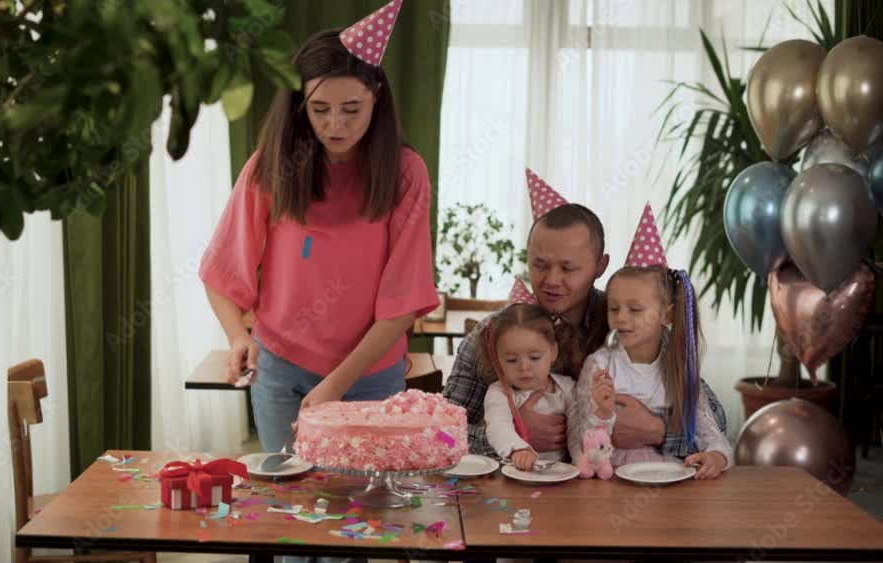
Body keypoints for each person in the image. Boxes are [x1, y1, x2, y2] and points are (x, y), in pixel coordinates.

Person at [199, 0, 438, 455]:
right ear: (299, 106)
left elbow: (403, 304)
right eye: (320, 109)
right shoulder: (270, 167)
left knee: (370, 515)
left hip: (370, 378)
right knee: (288, 508)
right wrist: (236, 337)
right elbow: (222, 273)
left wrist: (336, 385)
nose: (335, 124)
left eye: (352, 108)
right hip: (280, 373)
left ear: (377, 100)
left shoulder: (406, 173)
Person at [443, 169, 728, 459]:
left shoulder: (629, 323)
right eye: (540, 265)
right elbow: (442, 434)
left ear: (600, 266)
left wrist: (657, 430)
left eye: (568, 268)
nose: (552, 280)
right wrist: (511, 436)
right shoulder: (493, 335)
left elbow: (716, 421)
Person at [568, 204, 733, 479]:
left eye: (635, 310)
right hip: (612, 482)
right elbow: (579, 441)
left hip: (669, 483)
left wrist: (716, 456)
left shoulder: (679, 368)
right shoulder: (600, 365)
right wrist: (603, 414)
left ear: (666, 314)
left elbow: (713, 436)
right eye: (614, 307)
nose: (622, 318)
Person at [477, 286, 579, 470]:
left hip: (563, 475)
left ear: (553, 351)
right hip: (514, 473)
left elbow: (578, 430)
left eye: (534, 357)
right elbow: (498, 426)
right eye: (511, 360)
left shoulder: (568, 389)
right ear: (496, 359)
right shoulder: (499, 393)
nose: (524, 367)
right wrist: (518, 449)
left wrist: (581, 461)